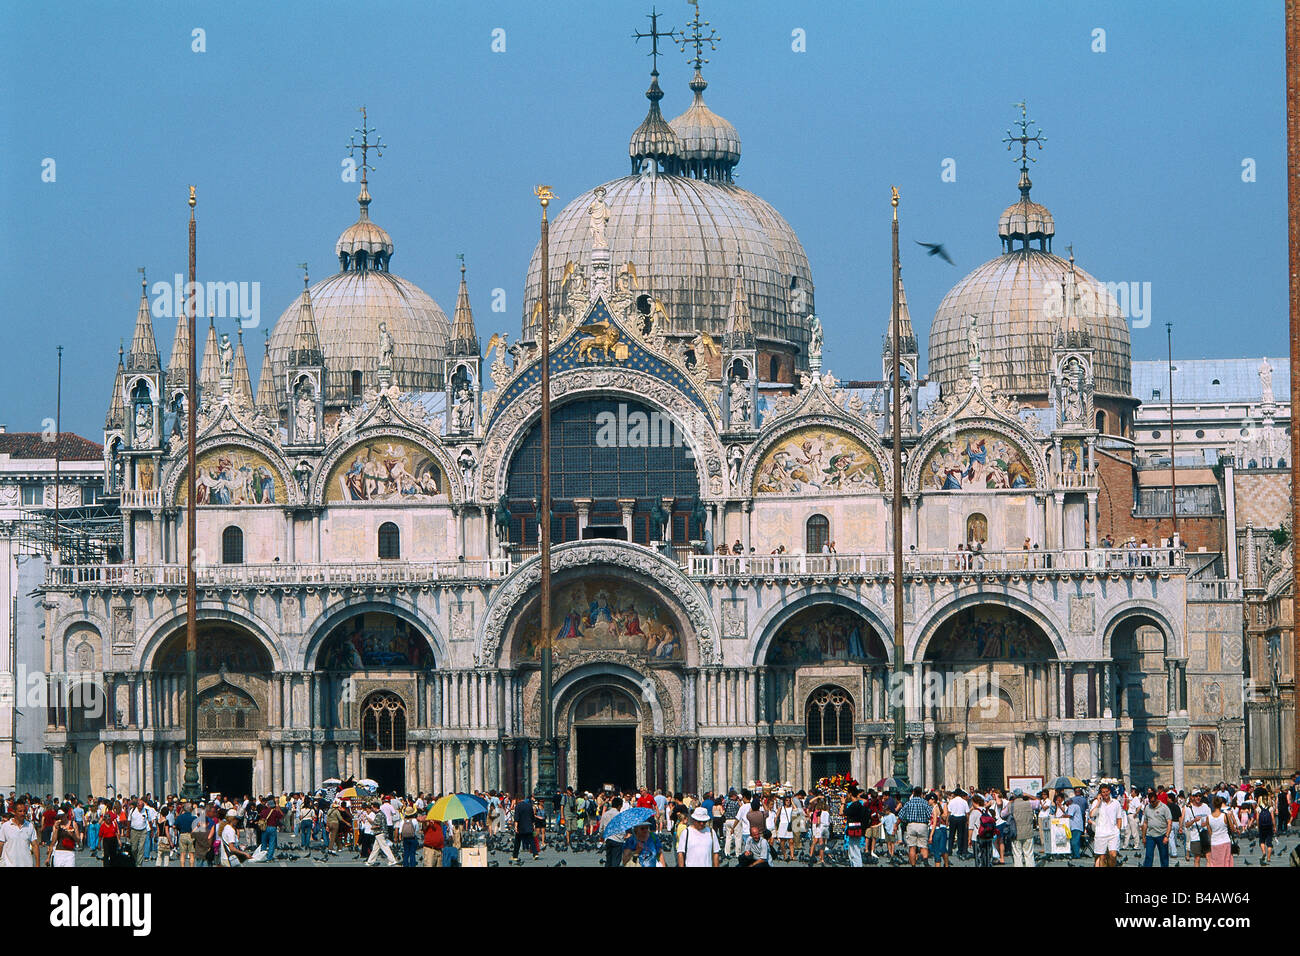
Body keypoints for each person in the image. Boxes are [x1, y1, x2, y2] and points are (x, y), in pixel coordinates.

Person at [1089, 784, 1124, 867]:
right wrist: (1098, 802)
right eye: (1103, 792)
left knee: (1113, 855)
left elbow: (1119, 818)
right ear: (1100, 793)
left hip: (1113, 833)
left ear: (1109, 791)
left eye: (1107, 791)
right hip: (1101, 833)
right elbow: (1091, 815)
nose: (1105, 794)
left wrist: (1118, 830)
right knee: (1102, 857)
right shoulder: (1096, 802)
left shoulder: (1116, 803)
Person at [898, 787, 932, 866]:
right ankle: (925, 862)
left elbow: (901, 815)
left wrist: (896, 825)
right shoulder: (925, 803)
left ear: (913, 793)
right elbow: (930, 815)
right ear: (921, 793)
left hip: (911, 825)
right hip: (922, 825)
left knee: (912, 847)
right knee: (923, 846)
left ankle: (913, 865)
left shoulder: (908, 803)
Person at [0, 800, 39, 867]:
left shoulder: (30, 826)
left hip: (26, 864)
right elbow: (1, 845)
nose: (23, 813)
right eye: (20, 811)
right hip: (9, 864)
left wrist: (37, 864)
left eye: (24, 811)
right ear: (14, 812)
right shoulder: (6, 826)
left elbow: (35, 845)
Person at [1140, 788, 1172, 867]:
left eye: (1153, 802)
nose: (1152, 804)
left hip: (1162, 835)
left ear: (1157, 799)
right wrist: (1143, 837)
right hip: (1150, 835)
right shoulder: (1147, 807)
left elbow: (1169, 823)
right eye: (1150, 802)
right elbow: (1145, 823)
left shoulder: (1164, 808)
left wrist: (1167, 836)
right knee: (1148, 856)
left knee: (1164, 857)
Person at [1007, 789, 1038, 867]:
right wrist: (1028, 795)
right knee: (1029, 854)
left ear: (1014, 795)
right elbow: (1038, 801)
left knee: (1017, 854)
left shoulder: (1011, 805)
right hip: (1028, 832)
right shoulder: (1030, 803)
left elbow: (1002, 814)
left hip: (1015, 833)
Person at [1205, 796, 1235, 867]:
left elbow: (1210, 832)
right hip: (1225, 841)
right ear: (1221, 804)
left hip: (1215, 842)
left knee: (1215, 863)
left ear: (1213, 804)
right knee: (1226, 862)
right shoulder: (1225, 816)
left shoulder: (1208, 818)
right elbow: (1232, 829)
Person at [1184, 791, 1211, 867]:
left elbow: (1211, 818)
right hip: (1195, 836)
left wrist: (1206, 823)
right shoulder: (1189, 809)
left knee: (1209, 857)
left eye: (1200, 796)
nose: (1198, 797)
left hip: (1205, 835)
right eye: (1196, 796)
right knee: (1197, 858)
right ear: (1192, 797)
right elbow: (1186, 824)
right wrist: (1193, 821)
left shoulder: (1205, 806)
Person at [511, 794, 538, 863]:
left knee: (517, 842)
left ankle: (515, 856)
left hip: (521, 826)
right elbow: (532, 816)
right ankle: (535, 854)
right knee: (532, 841)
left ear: (518, 799)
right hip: (529, 826)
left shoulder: (518, 806)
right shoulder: (529, 805)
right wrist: (533, 825)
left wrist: (516, 827)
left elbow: (516, 817)